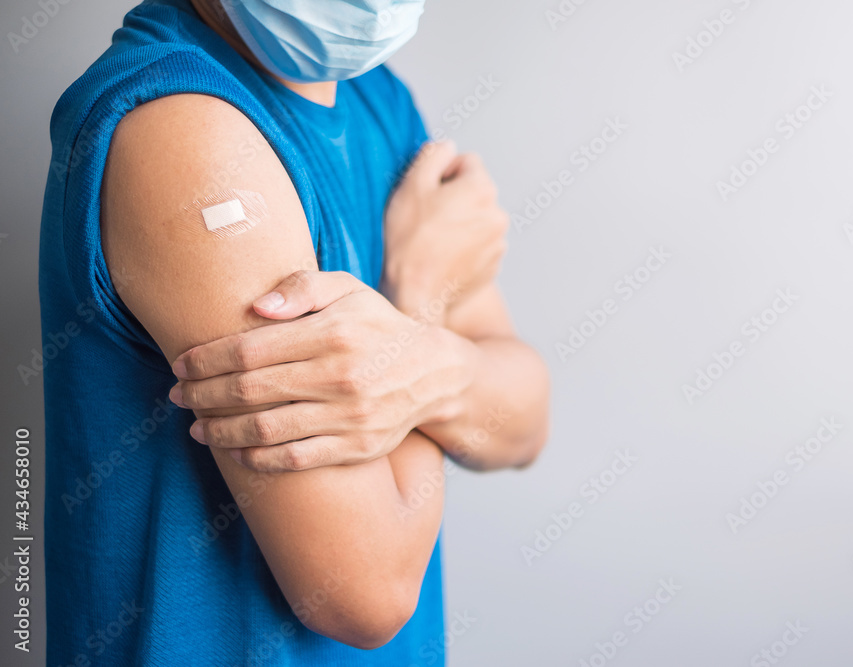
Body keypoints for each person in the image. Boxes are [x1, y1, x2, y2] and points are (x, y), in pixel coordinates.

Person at [39, 0, 550, 664]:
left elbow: (524, 422)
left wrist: (416, 365)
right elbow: (365, 590)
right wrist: (421, 300)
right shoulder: (185, 132)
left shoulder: (380, 101)